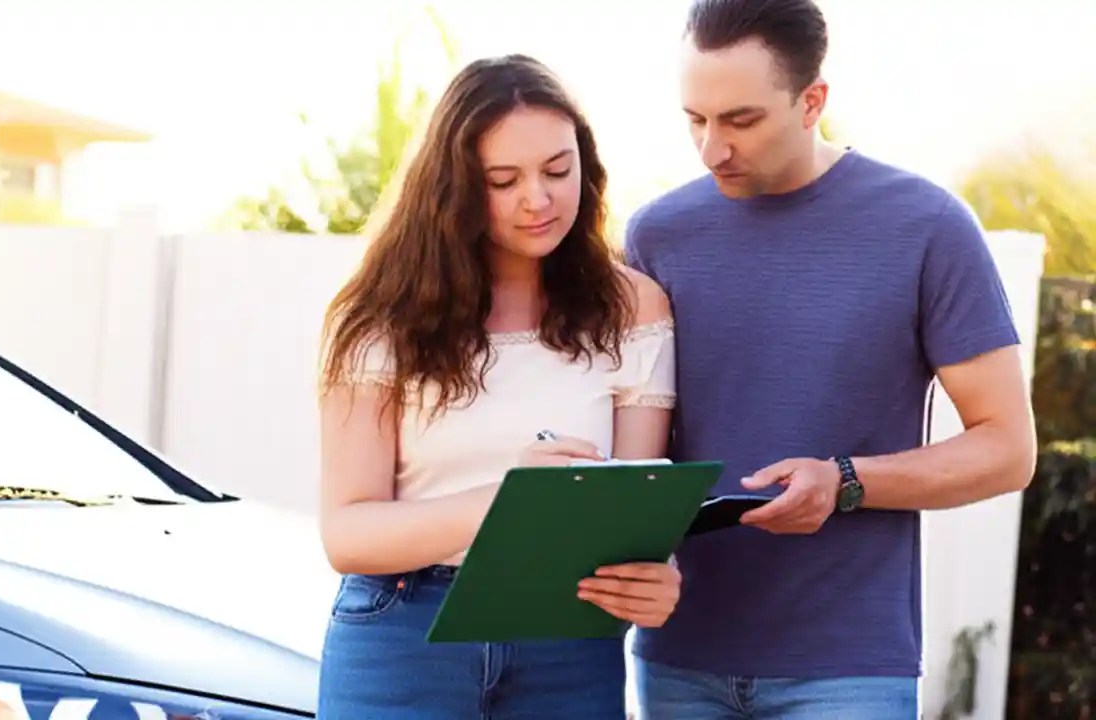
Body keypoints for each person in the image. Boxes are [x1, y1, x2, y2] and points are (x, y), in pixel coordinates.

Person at [622, 0, 1038, 717]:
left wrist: (846, 481)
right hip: (679, 659)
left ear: (812, 101)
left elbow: (1007, 449)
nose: (712, 149)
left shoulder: (928, 227)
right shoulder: (657, 235)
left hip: (848, 669)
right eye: (696, 119)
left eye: (741, 120)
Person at [315, 54, 682, 718]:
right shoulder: (381, 317)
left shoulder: (634, 310)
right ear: (453, 188)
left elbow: (634, 515)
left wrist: (655, 579)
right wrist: (512, 502)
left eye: (558, 171)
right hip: (404, 632)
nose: (537, 199)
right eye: (503, 181)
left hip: (567, 640)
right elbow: (348, 534)